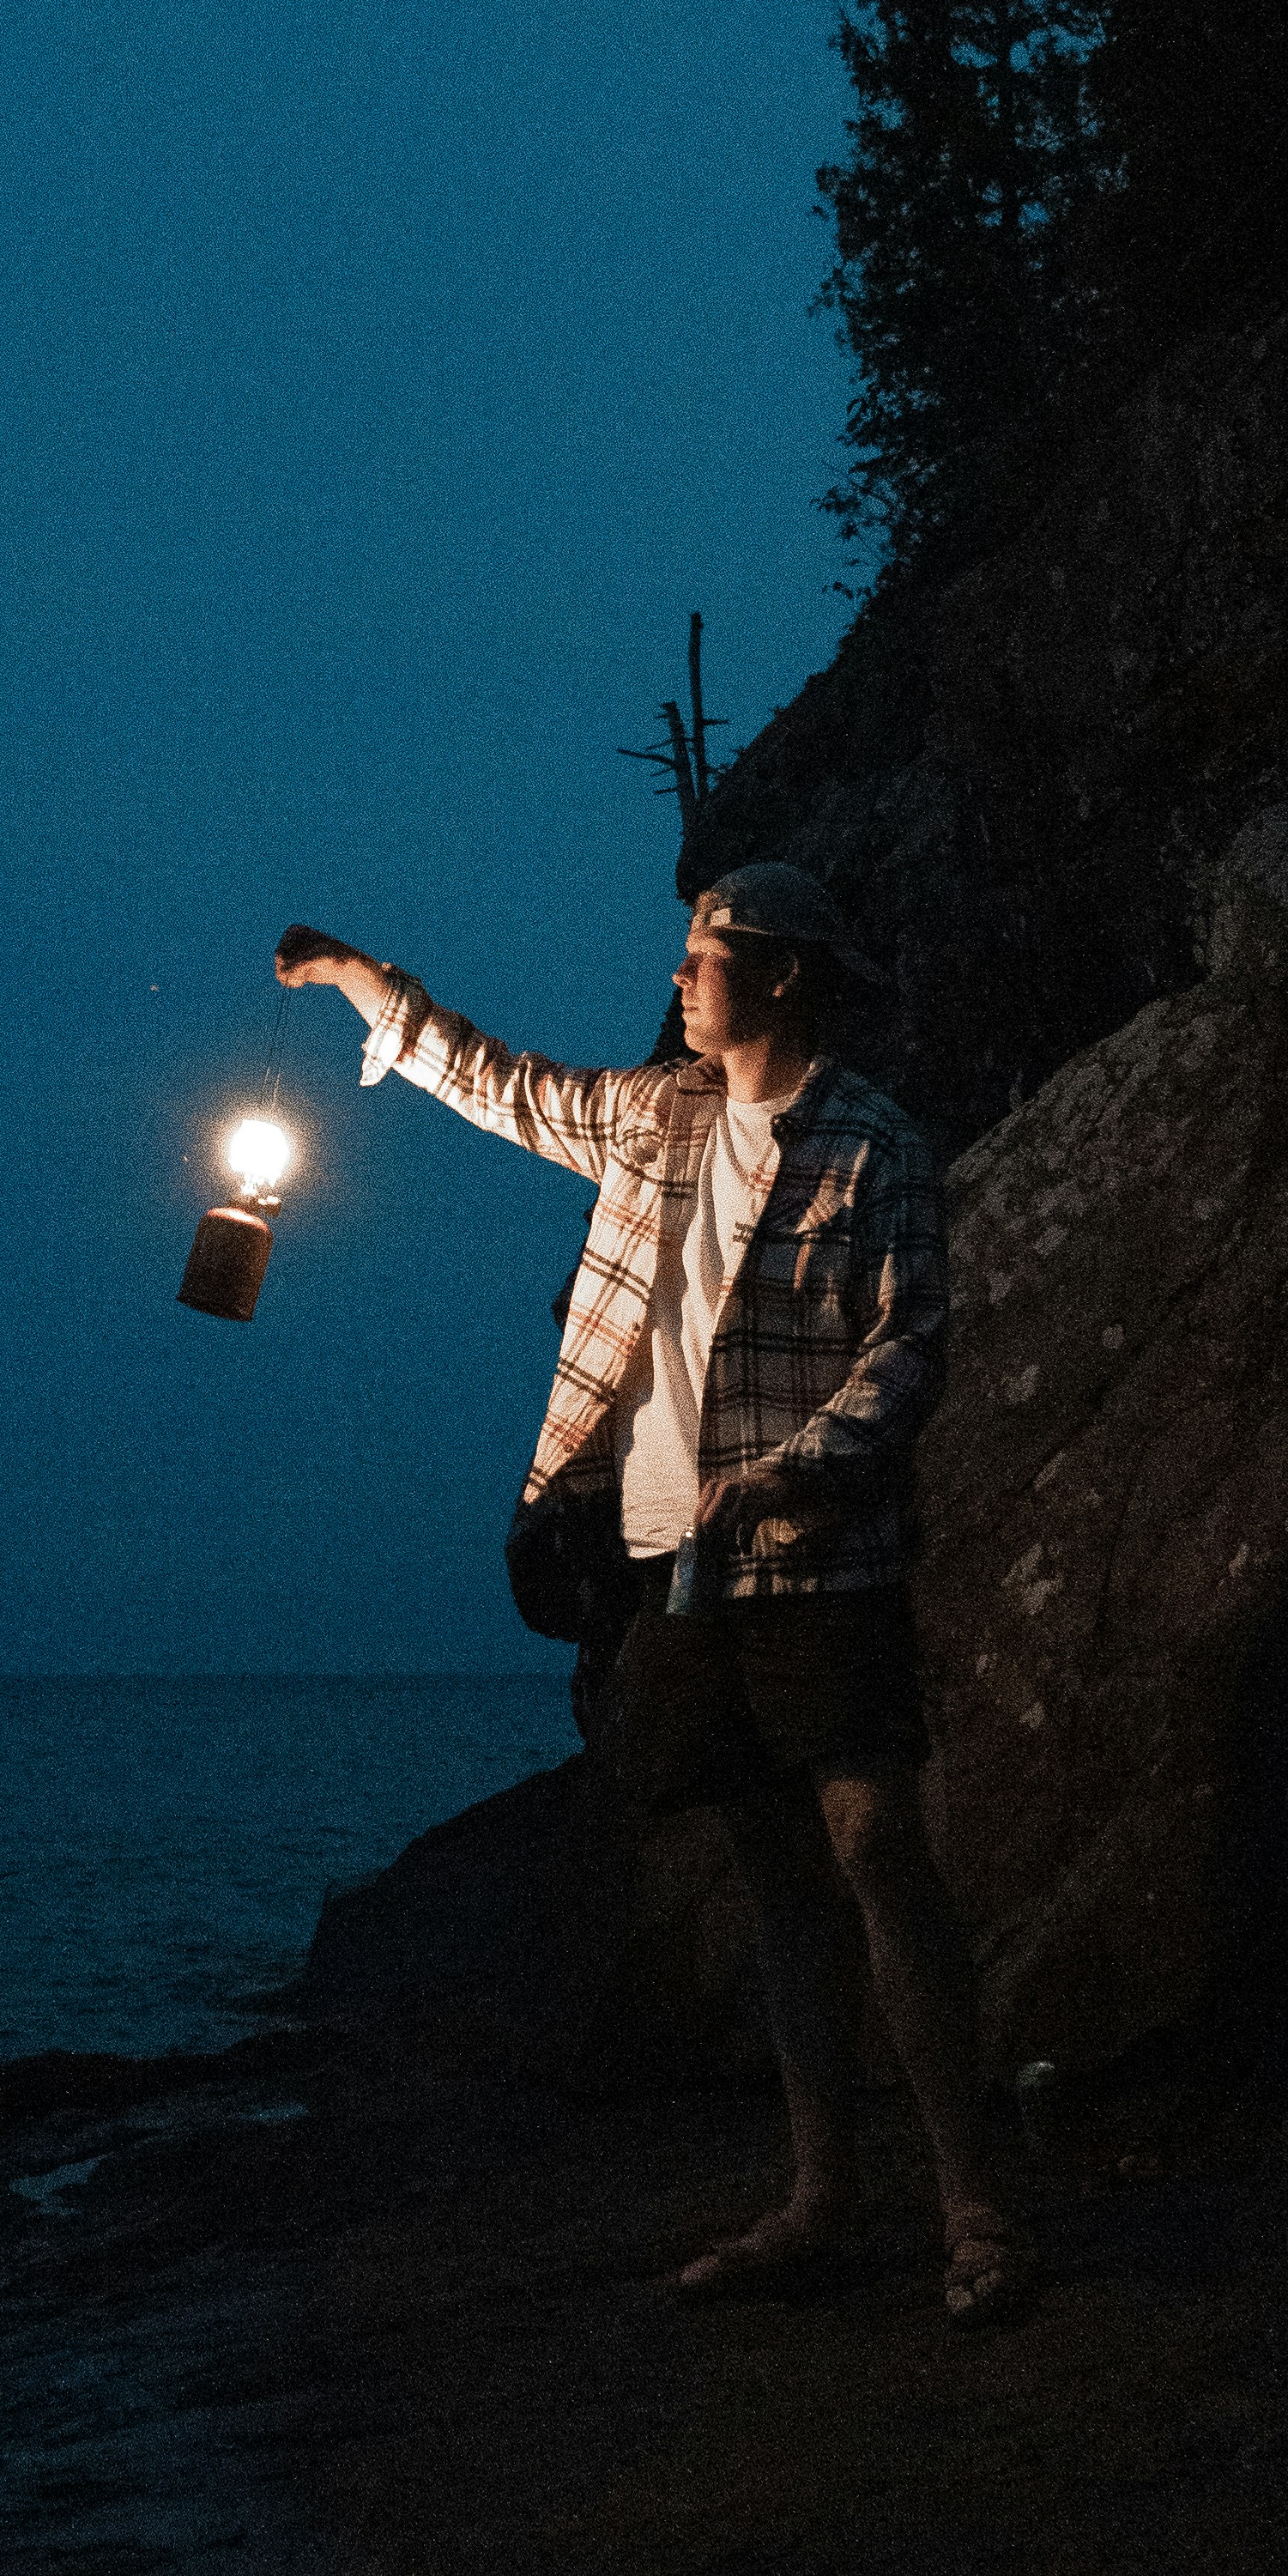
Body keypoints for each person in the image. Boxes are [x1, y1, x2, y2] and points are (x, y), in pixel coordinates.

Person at [273, 870, 1035, 2328]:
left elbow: (914, 1347)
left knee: (877, 1843)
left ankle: (977, 2202)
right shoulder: (655, 1114)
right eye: (684, 954)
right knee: (776, 1876)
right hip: (672, 1559)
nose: (681, 978)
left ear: (788, 975)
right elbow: (502, 1086)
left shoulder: (875, 1147)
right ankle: (821, 2198)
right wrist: (370, 984)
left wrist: (800, 1471)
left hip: (821, 1556)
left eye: (707, 956)